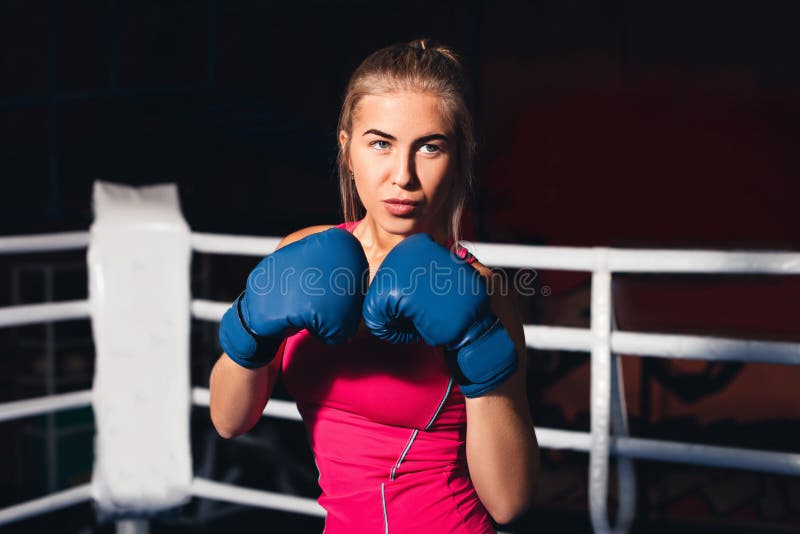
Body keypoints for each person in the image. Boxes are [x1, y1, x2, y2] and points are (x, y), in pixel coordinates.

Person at [209, 38, 539, 532]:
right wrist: (250, 324)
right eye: (381, 143)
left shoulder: (481, 290)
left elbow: (509, 502)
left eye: (429, 147)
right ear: (347, 148)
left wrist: (479, 348)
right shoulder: (301, 253)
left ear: (458, 156)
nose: (402, 176)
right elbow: (229, 420)